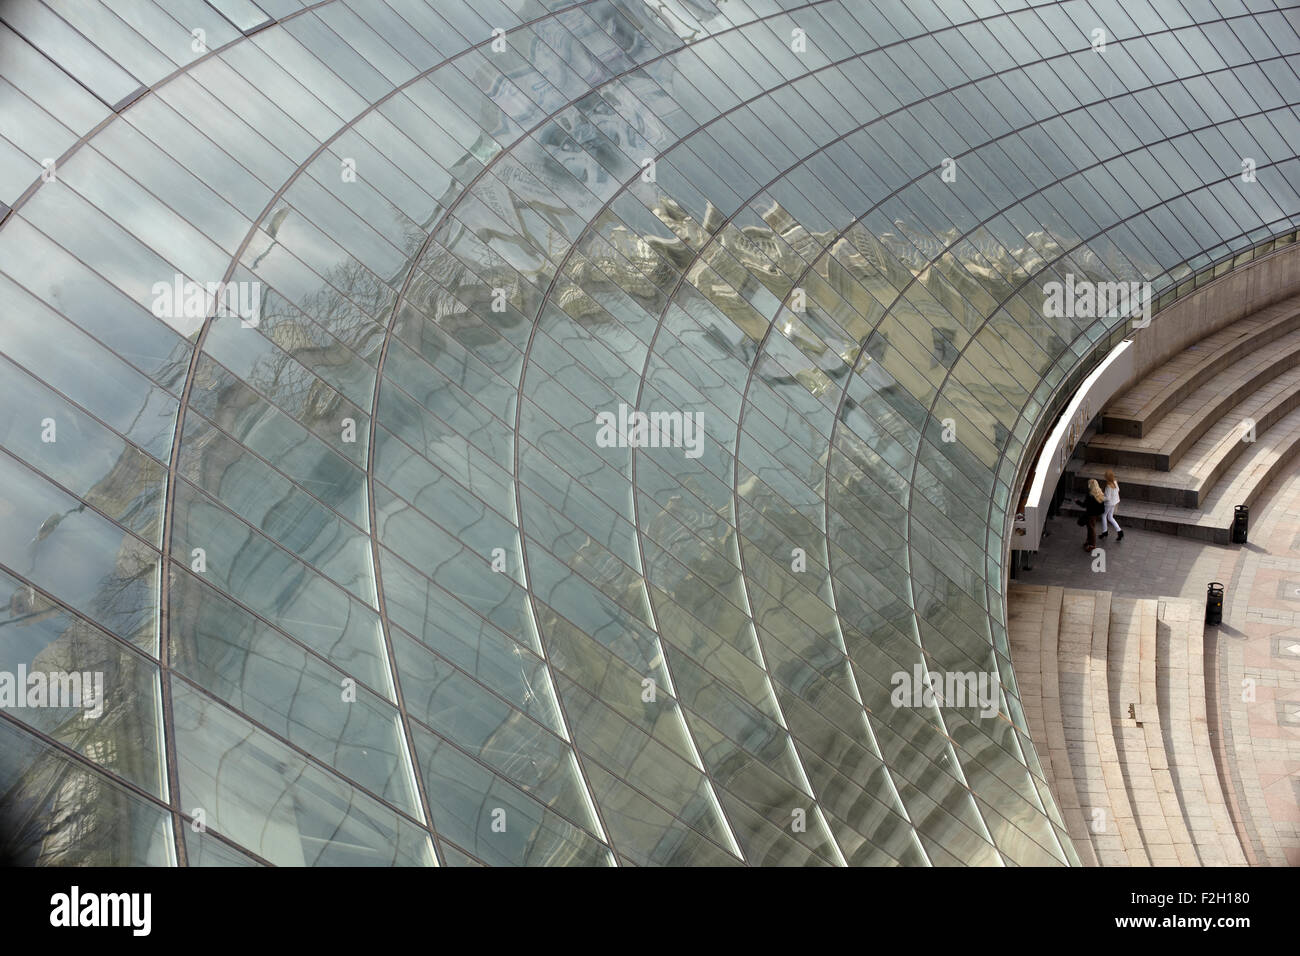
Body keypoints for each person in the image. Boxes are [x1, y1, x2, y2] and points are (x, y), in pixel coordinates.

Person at [1081, 478, 1106, 552]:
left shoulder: (1090, 495)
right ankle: (1088, 542)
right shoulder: (1100, 493)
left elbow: (1084, 505)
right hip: (1096, 515)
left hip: (1090, 514)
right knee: (1090, 528)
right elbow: (1102, 506)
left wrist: (1077, 502)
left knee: (1091, 529)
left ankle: (1092, 545)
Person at [1100, 468, 1123, 541]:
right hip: (1115, 502)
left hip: (1109, 503)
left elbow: (1107, 498)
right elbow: (1118, 490)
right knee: (1110, 517)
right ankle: (1119, 531)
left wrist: (1100, 496)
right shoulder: (1115, 482)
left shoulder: (1108, 486)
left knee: (1104, 515)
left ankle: (1105, 532)